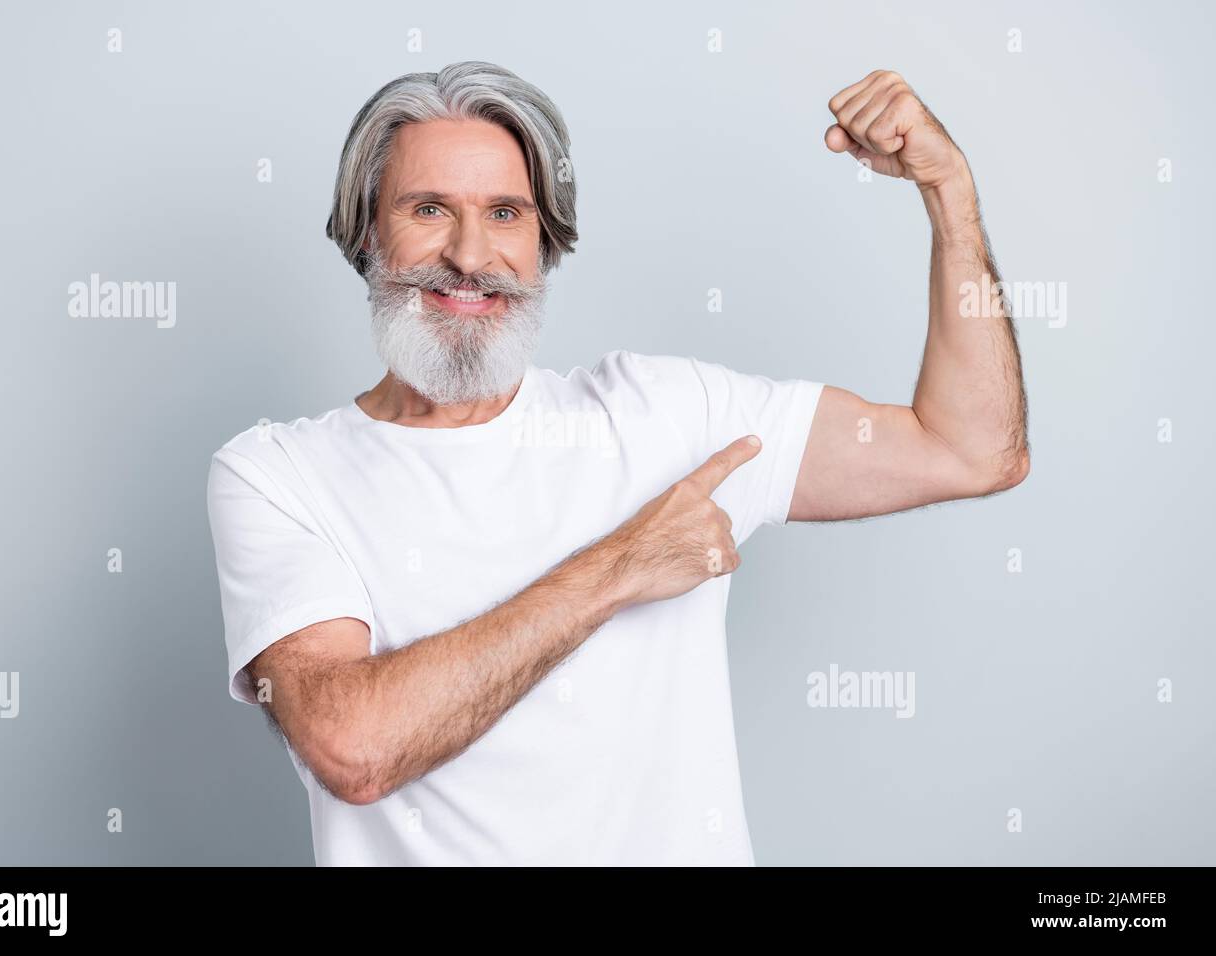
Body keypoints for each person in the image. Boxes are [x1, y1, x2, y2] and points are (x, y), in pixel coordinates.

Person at [206, 61, 1029, 865]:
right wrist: (622, 566)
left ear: (544, 240)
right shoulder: (278, 475)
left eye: (505, 214)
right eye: (428, 208)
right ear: (364, 232)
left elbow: (973, 449)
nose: (469, 255)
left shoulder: (664, 414)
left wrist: (948, 193)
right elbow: (354, 751)